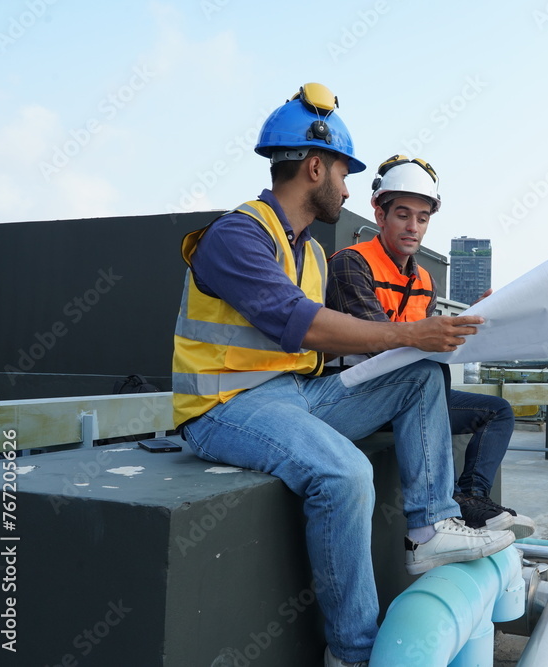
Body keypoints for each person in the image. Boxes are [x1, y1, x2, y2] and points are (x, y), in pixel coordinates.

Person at [170, 84, 513, 667]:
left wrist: (431, 342)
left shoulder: (305, 249)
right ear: (313, 166)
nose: (349, 188)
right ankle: (353, 653)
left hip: (294, 396)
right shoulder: (238, 236)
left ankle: (431, 528)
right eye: (344, 174)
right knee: (347, 472)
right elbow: (298, 323)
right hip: (225, 407)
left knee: (421, 378)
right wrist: (410, 334)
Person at [324, 154, 535, 538]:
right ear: (379, 213)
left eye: (422, 218)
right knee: (426, 374)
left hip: (414, 391)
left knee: (498, 412)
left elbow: (430, 341)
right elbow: (380, 345)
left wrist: (473, 321)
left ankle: (471, 500)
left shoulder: (423, 279)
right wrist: (434, 335)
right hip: (357, 396)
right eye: (403, 215)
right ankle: (433, 523)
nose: (413, 227)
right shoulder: (350, 265)